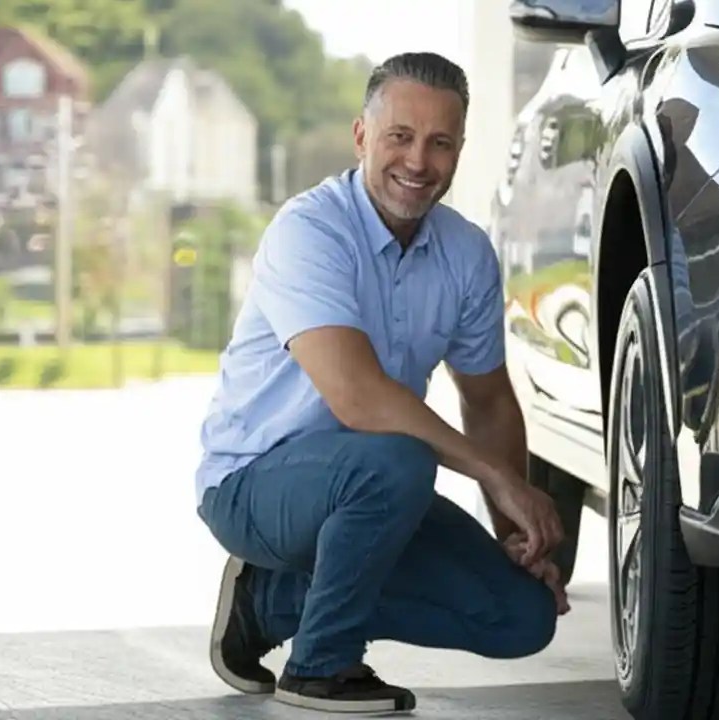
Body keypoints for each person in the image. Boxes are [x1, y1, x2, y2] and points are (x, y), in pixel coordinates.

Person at [193, 51, 570, 715]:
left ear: (459, 148)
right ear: (362, 135)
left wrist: (512, 532)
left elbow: (487, 401)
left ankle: (269, 602)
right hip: (255, 486)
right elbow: (358, 398)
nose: (418, 162)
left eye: (440, 143)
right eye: (400, 136)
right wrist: (502, 477)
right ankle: (321, 668)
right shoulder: (308, 231)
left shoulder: (466, 253)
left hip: (376, 491)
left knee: (522, 617)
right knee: (396, 456)